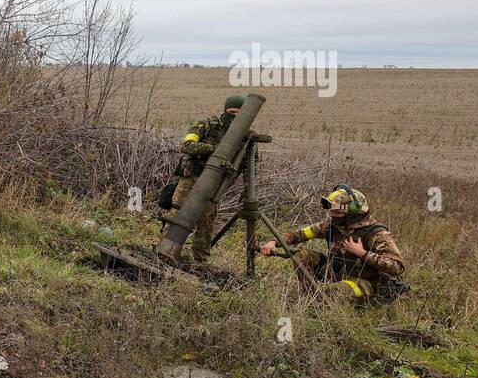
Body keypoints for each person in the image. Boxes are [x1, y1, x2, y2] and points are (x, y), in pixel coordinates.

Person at [260, 185, 407, 303]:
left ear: (352, 214)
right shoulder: (332, 225)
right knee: (300, 254)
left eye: (336, 213)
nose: (332, 215)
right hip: (338, 272)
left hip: (366, 282)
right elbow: (299, 234)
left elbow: (397, 266)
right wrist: (274, 242)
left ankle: (322, 299)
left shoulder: (376, 234)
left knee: (329, 293)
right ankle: (310, 296)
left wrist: (361, 253)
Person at [172, 94, 244, 263]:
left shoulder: (244, 136)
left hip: (214, 185)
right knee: (178, 214)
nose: (234, 117)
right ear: (225, 110)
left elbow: (249, 164)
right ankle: (167, 250)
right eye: (232, 112)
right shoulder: (206, 125)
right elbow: (186, 145)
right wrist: (213, 149)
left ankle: (199, 261)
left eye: (239, 114)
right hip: (191, 179)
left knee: (206, 223)